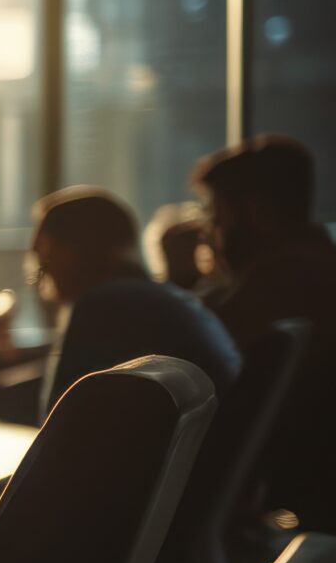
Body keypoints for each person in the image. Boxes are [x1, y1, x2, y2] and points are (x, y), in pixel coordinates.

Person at [192, 134, 336, 527]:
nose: (211, 231)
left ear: (253, 212)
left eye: (216, 215)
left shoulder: (281, 282)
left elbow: (192, 351)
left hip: (294, 501)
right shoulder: (320, 263)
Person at [26, 186, 237, 422]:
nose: (43, 273)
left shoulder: (105, 304)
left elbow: (60, 423)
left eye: (44, 257)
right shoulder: (155, 300)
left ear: (71, 252)